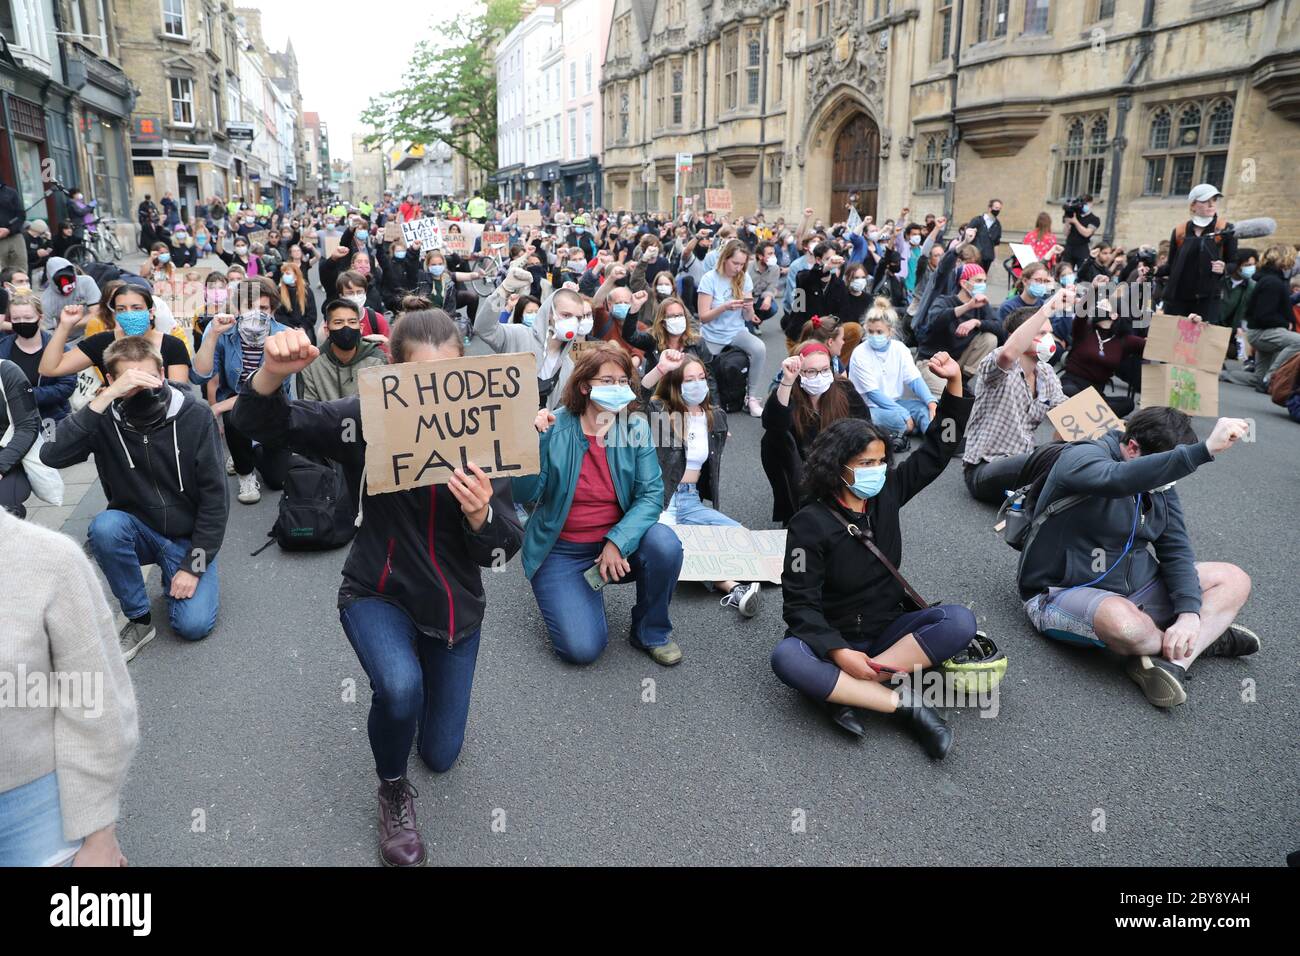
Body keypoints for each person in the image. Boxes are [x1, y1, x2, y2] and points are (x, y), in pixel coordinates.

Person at [230, 315, 523, 868]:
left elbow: (503, 551)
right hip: (378, 591)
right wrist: (269, 373)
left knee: (440, 754)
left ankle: (427, 698)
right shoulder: (368, 419)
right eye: (420, 381)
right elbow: (265, 425)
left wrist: (482, 515)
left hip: (456, 611)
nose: (436, 396)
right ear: (392, 374)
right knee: (399, 687)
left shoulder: (488, 431)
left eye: (449, 376)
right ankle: (392, 789)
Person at [771, 351, 974, 757]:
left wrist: (954, 385)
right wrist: (840, 652)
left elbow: (938, 449)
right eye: (866, 462)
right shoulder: (809, 523)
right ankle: (904, 706)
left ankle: (847, 690)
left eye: (881, 461)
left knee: (959, 621)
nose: (877, 470)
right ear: (838, 467)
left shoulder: (888, 492)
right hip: (833, 634)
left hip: (886, 629)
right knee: (786, 658)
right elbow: (799, 606)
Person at [1019, 408, 1256, 708]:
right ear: (1132, 448)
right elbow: (1115, 479)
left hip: (1137, 591)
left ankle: (1175, 661)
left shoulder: (1161, 483)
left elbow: (1176, 550)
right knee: (1124, 625)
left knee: (1234, 579)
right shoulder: (1080, 458)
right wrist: (1204, 450)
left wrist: (1189, 615)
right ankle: (1200, 642)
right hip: (1062, 593)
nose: (1169, 485)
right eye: (1165, 469)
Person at [40, 336, 228, 657]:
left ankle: (177, 573)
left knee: (193, 626)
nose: (141, 389)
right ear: (111, 380)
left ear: (163, 373)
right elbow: (51, 452)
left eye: (148, 378)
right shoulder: (102, 417)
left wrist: (193, 565)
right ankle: (138, 619)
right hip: (136, 529)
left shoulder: (195, 415)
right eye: (130, 381)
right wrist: (105, 399)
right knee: (105, 527)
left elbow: (216, 499)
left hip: (187, 537)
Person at [517, 343, 685, 666]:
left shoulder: (635, 427)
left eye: (623, 381)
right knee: (582, 650)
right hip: (562, 549)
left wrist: (617, 541)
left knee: (665, 544)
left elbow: (651, 495)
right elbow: (523, 494)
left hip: (616, 542)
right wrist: (533, 442)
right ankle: (580, 594)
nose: (618, 388)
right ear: (584, 385)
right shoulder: (557, 427)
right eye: (608, 381)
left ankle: (651, 631)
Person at [0, 506, 139, 866]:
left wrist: (99, 833)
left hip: (26, 798)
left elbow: (96, 704)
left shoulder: (51, 562)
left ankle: (142, 613)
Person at [648, 351, 761, 617]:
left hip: (691, 500)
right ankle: (733, 589)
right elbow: (639, 400)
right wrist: (660, 369)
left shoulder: (715, 417)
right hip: (662, 501)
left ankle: (739, 580)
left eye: (701, 377)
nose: (697, 383)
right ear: (675, 384)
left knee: (742, 536)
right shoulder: (662, 414)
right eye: (689, 379)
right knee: (675, 549)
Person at [191, 276, 292, 503]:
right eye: (249, 306)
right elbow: (199, 375)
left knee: (277, 480)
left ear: (273, 309)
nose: (255, 313)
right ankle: (245, 473)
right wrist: (213, 334)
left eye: (263, 307)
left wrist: (216, 407)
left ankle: (247, 451)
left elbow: (274, 390)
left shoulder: (283, 335)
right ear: (237, 307)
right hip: (235, 407)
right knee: (233, 416)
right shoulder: (223, 331)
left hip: (272, 404)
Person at [962, 292, 1070, 504]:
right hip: (985, 468)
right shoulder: (998, 363)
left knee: (1071, 454)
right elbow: (1008, 355)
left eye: (1049, 332)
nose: (1049, 339)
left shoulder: (1046, 373)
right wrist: (1047, 308)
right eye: (1040, 333)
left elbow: (1067, 412)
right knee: (1052, 461)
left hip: (1024, 461)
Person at [761, 341, 872, 525]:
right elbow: (773, 425)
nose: (819, 376)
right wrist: (787, 381)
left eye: (825, 369)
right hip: (802, 466)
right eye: (811, 371)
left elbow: (865, 427)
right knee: (773, 439)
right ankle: (797, 511)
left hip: (841, 462)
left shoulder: (843, 389)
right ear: (799, 373)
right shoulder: (790, 392)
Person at [40, 281, 193, 385]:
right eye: (121, 309)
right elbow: (49, 368)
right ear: (115, 314)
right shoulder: (102, 343)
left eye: (136, 308)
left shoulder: (173, 346)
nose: (129, 314)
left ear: (151, 312)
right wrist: (65, 326)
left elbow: (178, 397)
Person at [478, 273, 584, 409]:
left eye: (578, 318)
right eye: (566, 315)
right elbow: (484, 328)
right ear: (549, 312)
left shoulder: (568, 367)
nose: (572, 322)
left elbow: (559, 410)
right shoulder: (518, 335)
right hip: (506, 423)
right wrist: (503, 291)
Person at [848, 299, 935, 447]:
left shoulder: (900, 348)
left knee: (924, 410)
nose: (874, 335)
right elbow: (873, 394)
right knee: (897, 418)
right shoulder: (860, 353)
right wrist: (904, 414)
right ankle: (915, 428)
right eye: (870, 331)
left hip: (895, 402)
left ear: (890, 331)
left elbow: (914, 380)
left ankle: (936, 439)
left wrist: (931, 403)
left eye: (879, 332)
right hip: (869, 407)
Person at [697, 239, 766, 417]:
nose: (739, 268)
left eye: (742, 264)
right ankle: (705, 402)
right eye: (735, 263)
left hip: (736, 331)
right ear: (724, 259)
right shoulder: (709, 279)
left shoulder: (744, 278)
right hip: (712, 334)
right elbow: (704, 317)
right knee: (702, 369)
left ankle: (751, 398)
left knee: (759, 348)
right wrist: (724, 307)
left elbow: (748, 318)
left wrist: (749, 307)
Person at [915, 262, 1005, 397]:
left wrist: (976, 322)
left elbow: (1000, 328)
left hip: (957, 361)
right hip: (932, 360)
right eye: (978, 280)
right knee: (946, 397)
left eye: (985, 281)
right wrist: (967, 306)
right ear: (964, 283)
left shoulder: (982, 305)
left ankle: (962, 379)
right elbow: (935, 321)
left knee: (989, 338)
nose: (983, 284)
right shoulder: (944, 301)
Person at [1158, 184, 1236, 326]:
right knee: (1173, 342)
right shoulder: (1179, 231)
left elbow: (1233, 263)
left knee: (1200, 344)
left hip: (1208, 300)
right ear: (1193, 205)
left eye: (1214, 200)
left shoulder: (1225, 229)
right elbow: (1171, 266)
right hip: (1178, 299)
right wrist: (1152, 270)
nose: (1212, 204)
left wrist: (1224, 267)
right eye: (1206, 200)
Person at [1059, 298, 1146, 416]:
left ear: (1114, 315)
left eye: (1103, 306)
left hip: (1096, 394)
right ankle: (1092, 414)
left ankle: (1084, 412)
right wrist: (1093, 289)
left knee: (1127, 403)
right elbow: (1081, 312)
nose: (1098, 307)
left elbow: (1152, 347)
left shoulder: (1124, 340)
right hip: (1071, 383)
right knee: (1068, 391)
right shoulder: (1084, 330)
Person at [0, 293, 75, 426]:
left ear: (40, 318)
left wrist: (28, 395)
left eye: (28, 318)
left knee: (50, 446)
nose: (22, 322)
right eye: (16, 318)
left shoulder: (58, 348)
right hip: (10, 422)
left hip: (51, 419)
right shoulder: (3, 348)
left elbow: (66, 386)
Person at [297, 299, 387, 402]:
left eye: (352, 322)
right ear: (327, 330)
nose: (346, 327)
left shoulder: (377, 360)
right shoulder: (311, 365)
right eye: (338, 322)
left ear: (361, 328)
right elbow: (308, 410)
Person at [1244, 244, 1300, 388]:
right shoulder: (1273, 282)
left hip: (1258, 331)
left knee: (1257, 377)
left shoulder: (1269, 279)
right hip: (1263, 332)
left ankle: (1225, 376)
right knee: (1298, 341)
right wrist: (1285, 324)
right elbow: (1264, 315)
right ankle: (1271, 379)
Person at [38, 258, 101, 338]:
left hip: (92, 333)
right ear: (51, 280)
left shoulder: (87, 282)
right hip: (67, 340)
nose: (67, 284)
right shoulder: (46, 300)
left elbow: (98, 313)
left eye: (69, 277)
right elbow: (48, 333)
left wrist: (71, 323)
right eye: (61, 279)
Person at [273, 261, 319, 345]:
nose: (284, 276)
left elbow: (312, 315)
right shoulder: (279, 292)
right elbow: (279, 315)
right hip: (287, 330)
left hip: (305, 328)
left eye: (287, 273)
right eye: (283, 274)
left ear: (296, 276)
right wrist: (291, 328)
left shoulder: (307, 291)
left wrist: (303, 327)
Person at [1061, 194, 1099, 268]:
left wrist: (1075, 222)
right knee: (1065, 269)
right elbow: (1066, 233)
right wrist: (1067, 222)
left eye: (1086, 203)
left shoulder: (1094, 219)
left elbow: (1087, 233)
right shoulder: (1073, 214)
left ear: (1091, 203)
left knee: (1082, 271)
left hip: (1082, 248)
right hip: (1069, 247)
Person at [966, 199, 1003, 274]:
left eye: (999, 209)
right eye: (996, 208)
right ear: (990, 208)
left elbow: (996, 243)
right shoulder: (978, 220)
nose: (998, 211)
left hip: (988, 257)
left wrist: (995, 258)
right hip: (975, 256)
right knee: (972, 275)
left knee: (982, 277)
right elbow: (967, 235)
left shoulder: (997, 225)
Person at [0, 178, 25, 273]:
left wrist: (9, 230)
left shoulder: (11, 193)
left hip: (15, 237)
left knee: (21, 271)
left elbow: (21, 215)